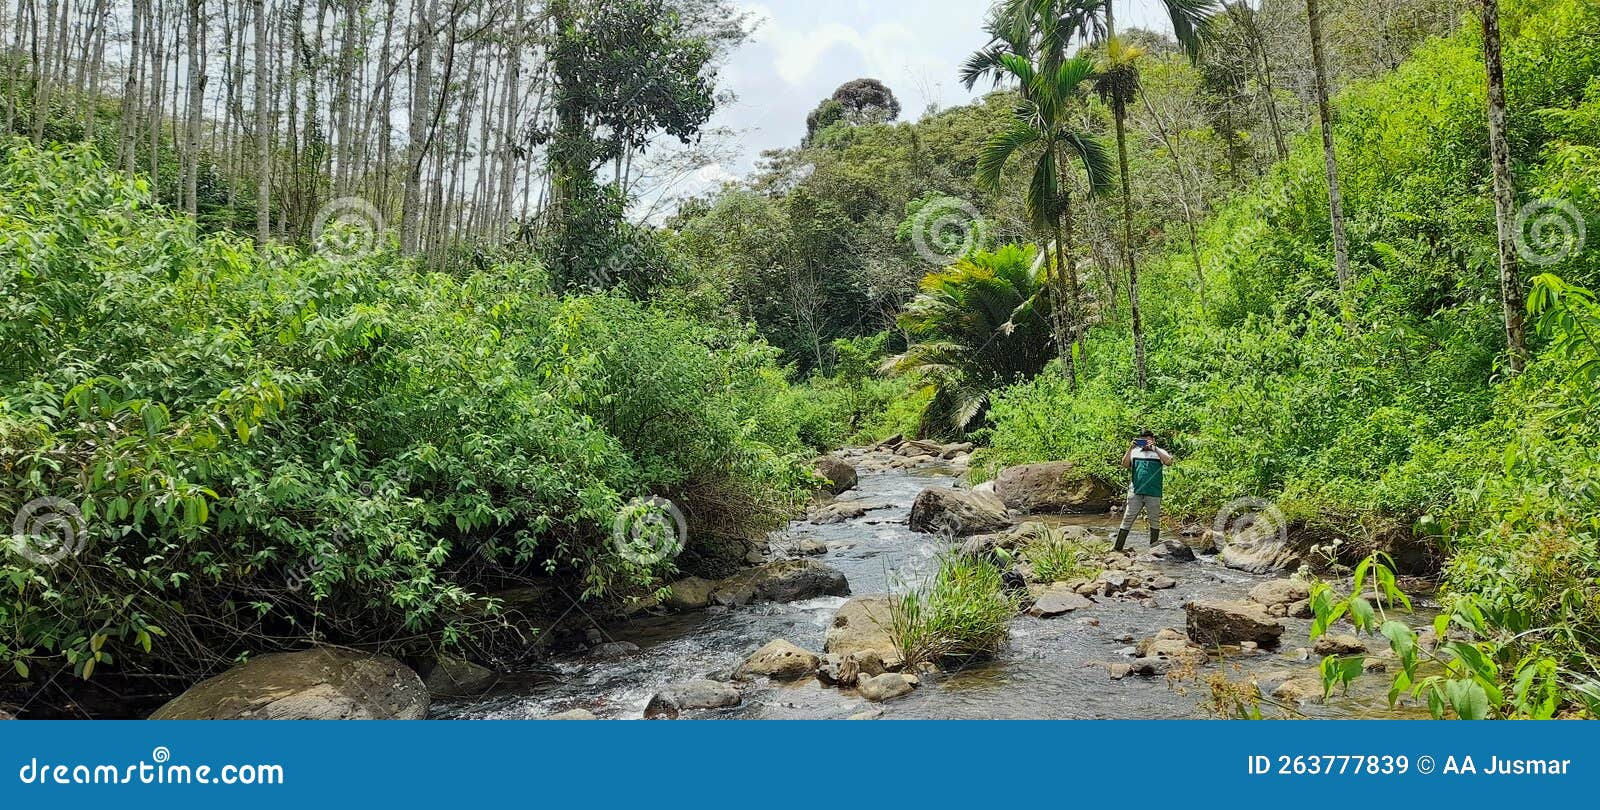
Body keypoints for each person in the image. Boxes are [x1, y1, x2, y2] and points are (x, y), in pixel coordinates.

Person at [1115, 429, 1172, 551]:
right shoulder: (1135, 452)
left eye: (1148, 440)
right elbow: (1124, 464)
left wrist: (1155, 449)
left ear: (1153, 440)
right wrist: (1130, 448)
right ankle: (1117, 548)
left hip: (1154, 492)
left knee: (1154, 521)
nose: (1146, 443)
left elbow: (1168, 462)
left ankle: (1154, 549)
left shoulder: (1160, 452)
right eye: (1143, 441)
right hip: (1135, 492)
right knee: (1127, 519)